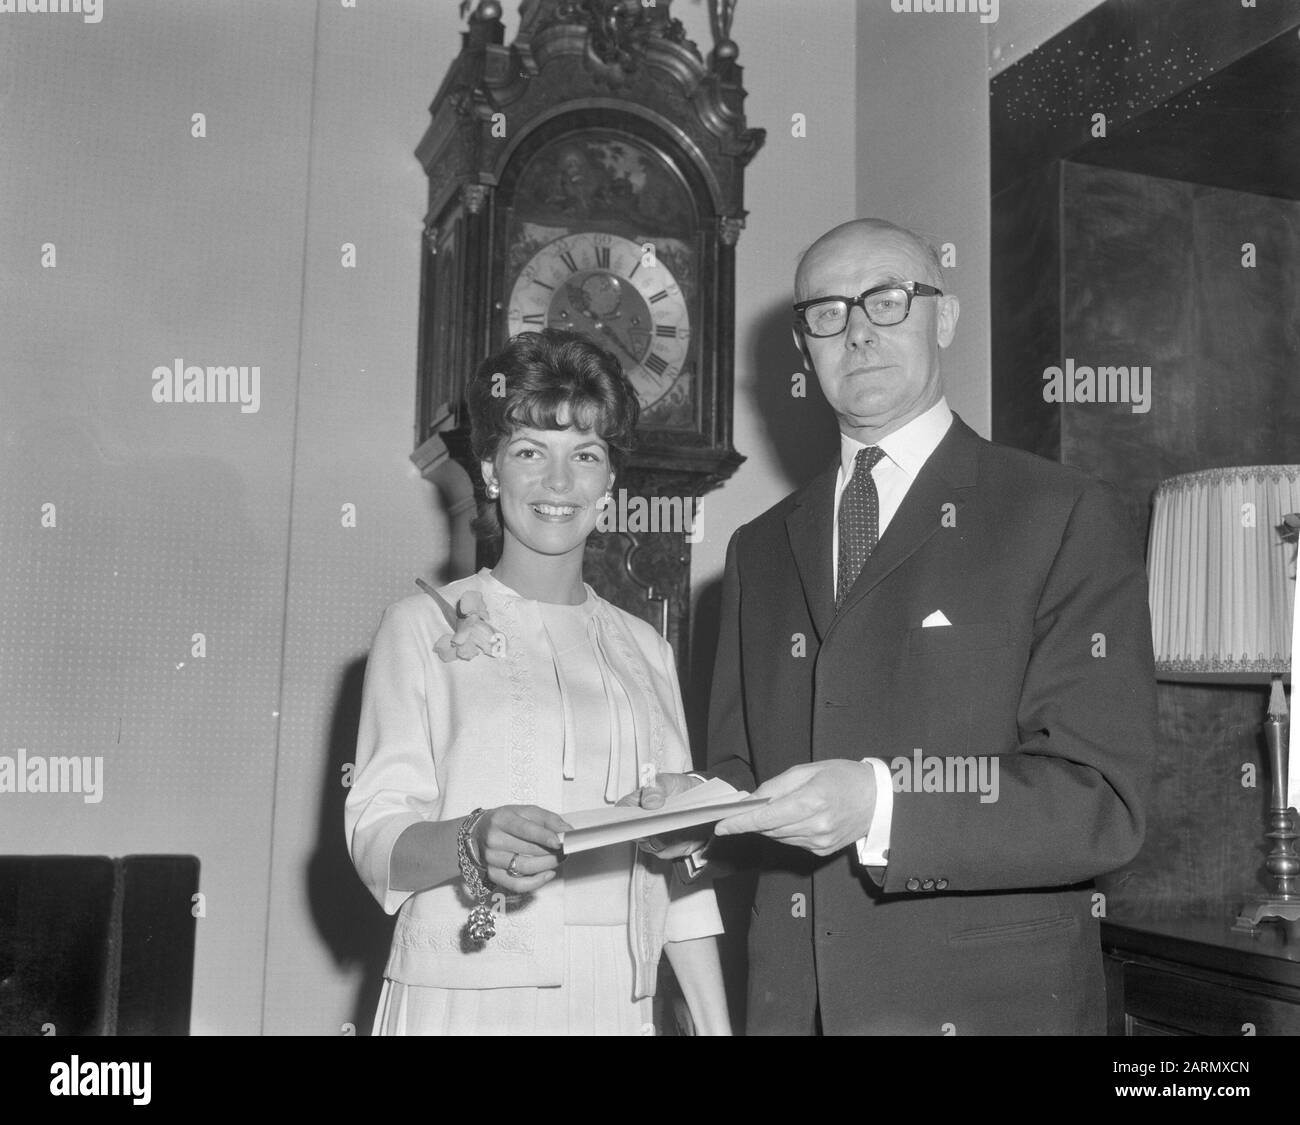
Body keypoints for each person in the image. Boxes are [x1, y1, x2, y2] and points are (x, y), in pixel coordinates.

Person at [630, 218, 1157, 1034]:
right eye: (829, 313)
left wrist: (881, 803)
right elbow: (745, 776)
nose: (860, 332)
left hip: (989, 1010)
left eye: (888, 299)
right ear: (804, 348)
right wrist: (690, 820)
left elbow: (1102, 800)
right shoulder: (759, 548)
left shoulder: (1061, 514)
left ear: (943, 318)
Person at [345, 328, 729, 1035]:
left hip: (621, 997)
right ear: (491, 471)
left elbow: (680, 869)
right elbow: (374, 838)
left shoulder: (646, 648)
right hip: (466, 992)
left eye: (584, 456)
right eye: (529, 452)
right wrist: (473, 838)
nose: (559, 484)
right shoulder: (415, 628)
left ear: (610, 481)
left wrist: (715, 1026)